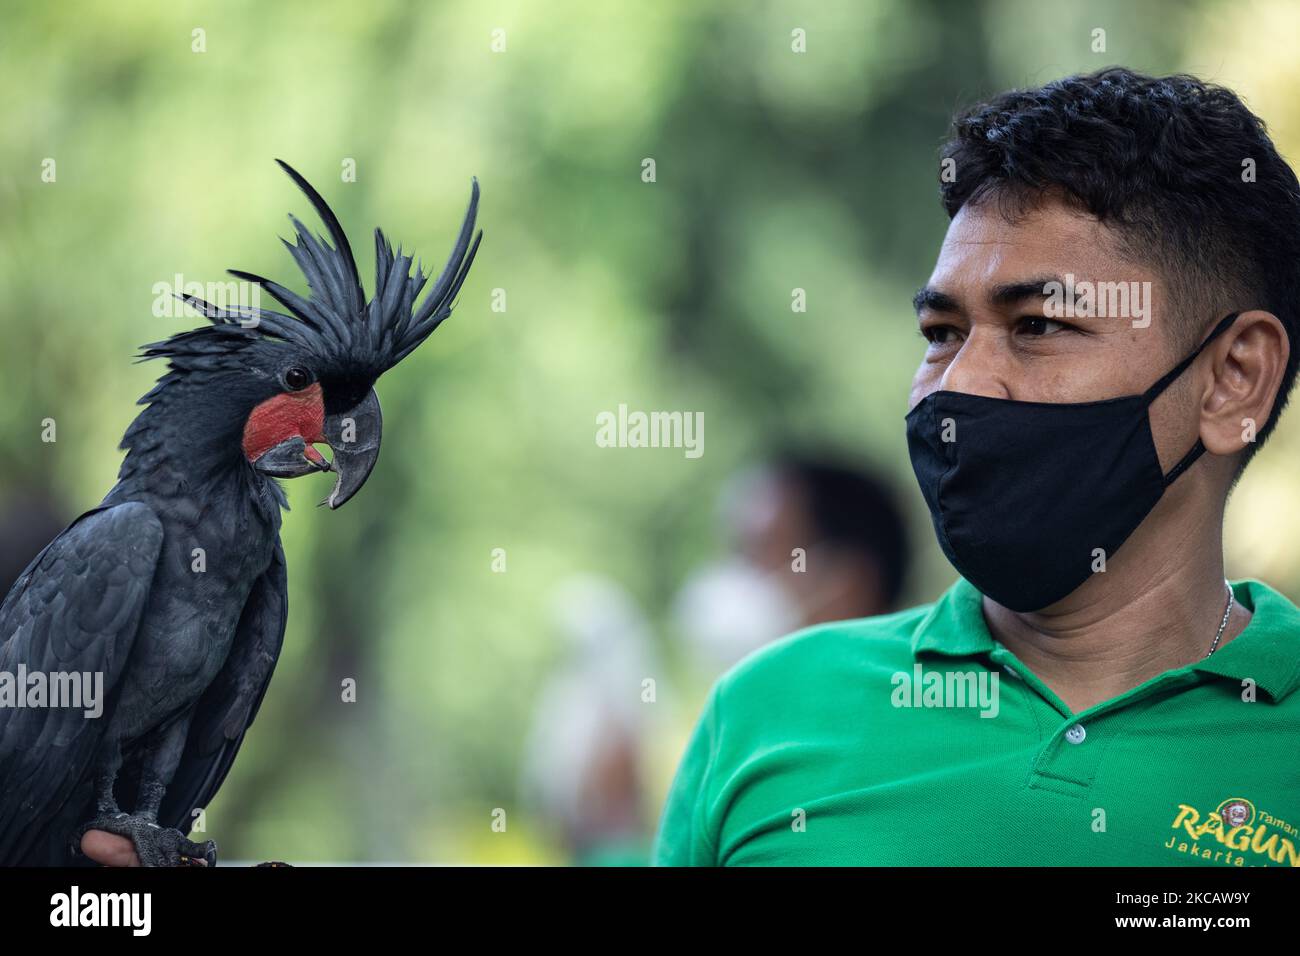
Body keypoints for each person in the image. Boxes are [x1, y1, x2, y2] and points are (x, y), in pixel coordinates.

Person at [653, 68, 1300, 866]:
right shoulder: (764, 715)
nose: (957, 385)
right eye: (941, 331)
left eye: (1037, 325)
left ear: (1234, 377)